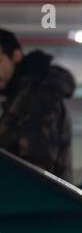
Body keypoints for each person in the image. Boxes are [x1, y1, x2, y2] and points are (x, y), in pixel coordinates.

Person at [0, 28, 76, 179]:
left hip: (34, 199)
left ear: (15, 56)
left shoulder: (38, 95)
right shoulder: (20, 97)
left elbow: (37, 167)